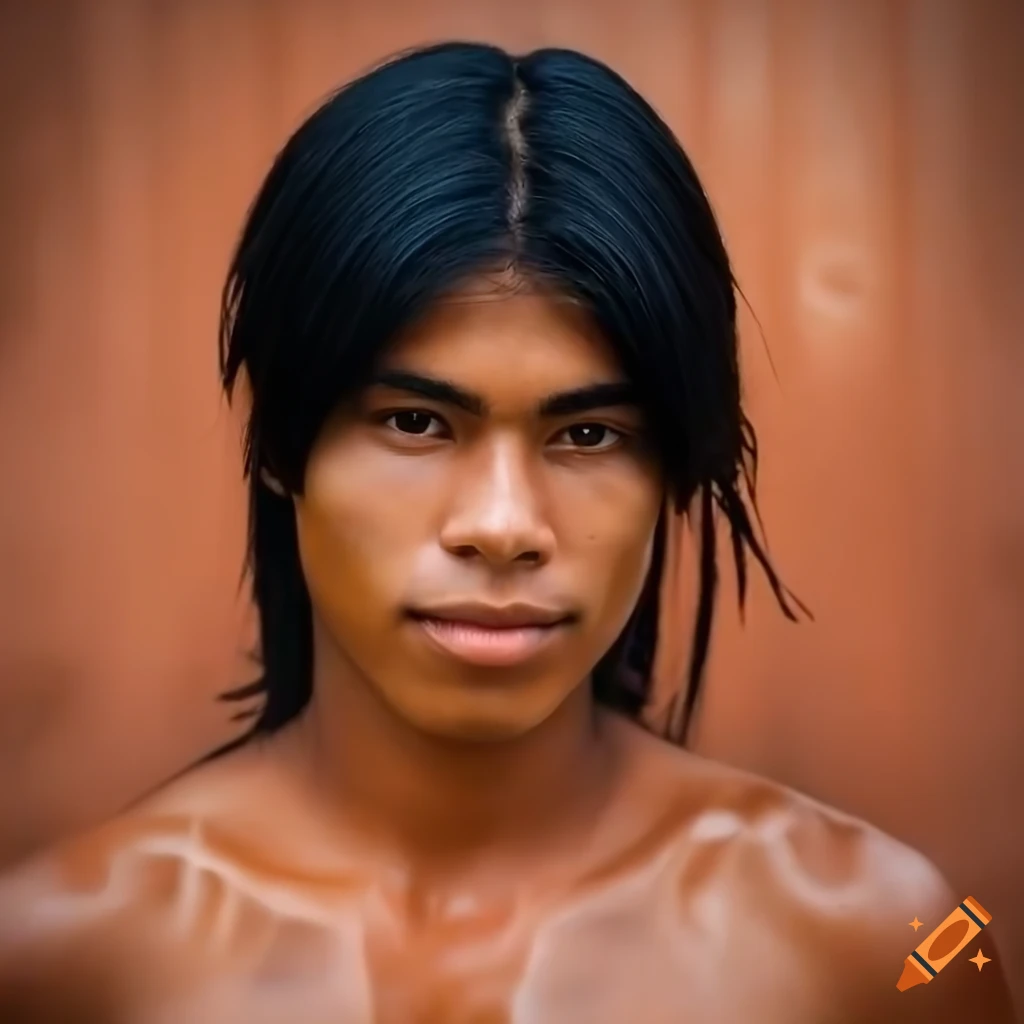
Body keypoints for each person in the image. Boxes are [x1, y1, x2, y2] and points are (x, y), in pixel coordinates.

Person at [0, 41, 1015, 1024]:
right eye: (414, 421)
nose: (502, 525)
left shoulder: (909, 942)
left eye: (586, 432)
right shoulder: (55, 957)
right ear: (277, 438)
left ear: (674, 462)